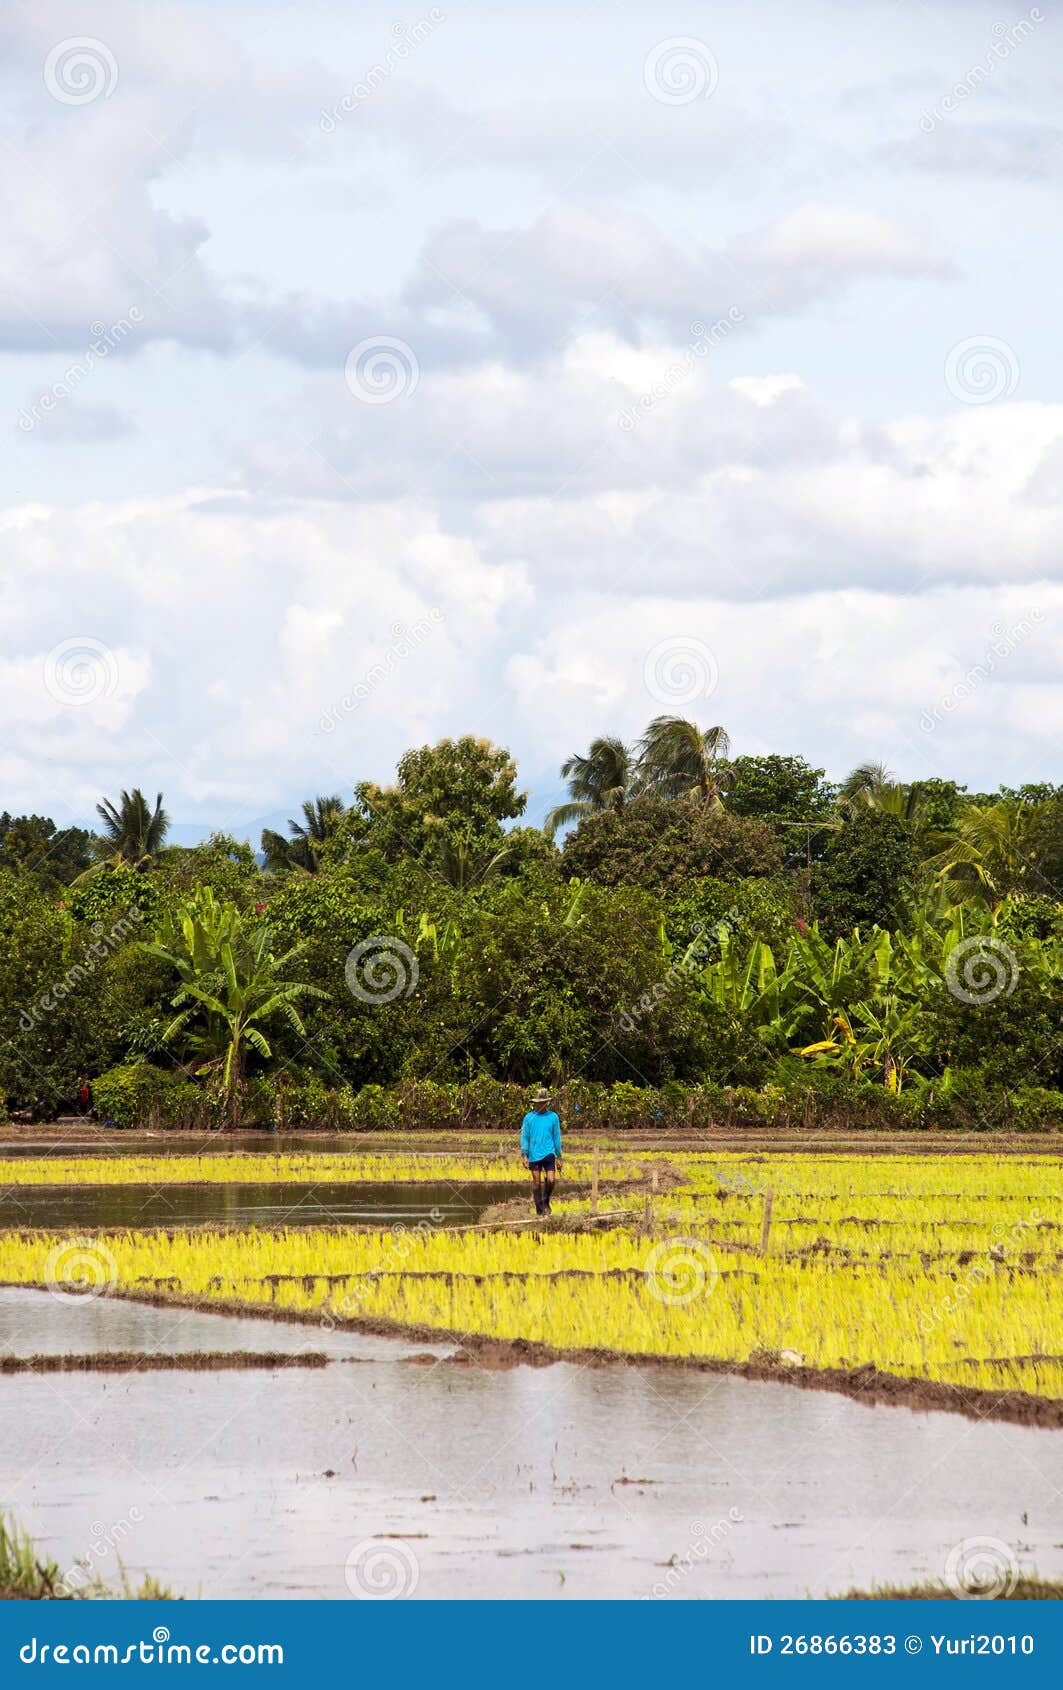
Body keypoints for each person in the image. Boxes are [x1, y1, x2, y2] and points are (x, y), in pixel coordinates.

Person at [520, 1087, 562, 1216]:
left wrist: (559, 1156)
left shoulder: (553, 1117)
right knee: (536, 1182)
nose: (540, 1105)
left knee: (551, 1180)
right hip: (534, 1154)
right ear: (535, 1103)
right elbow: (525, 1137)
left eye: (543, 1102)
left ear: (546, 1103)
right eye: (538, 1102)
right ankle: (539, 1209)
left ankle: (546, 1200)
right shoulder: (529, 1118)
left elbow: (557, 1137)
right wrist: (524, 1155)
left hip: (549, 1152)